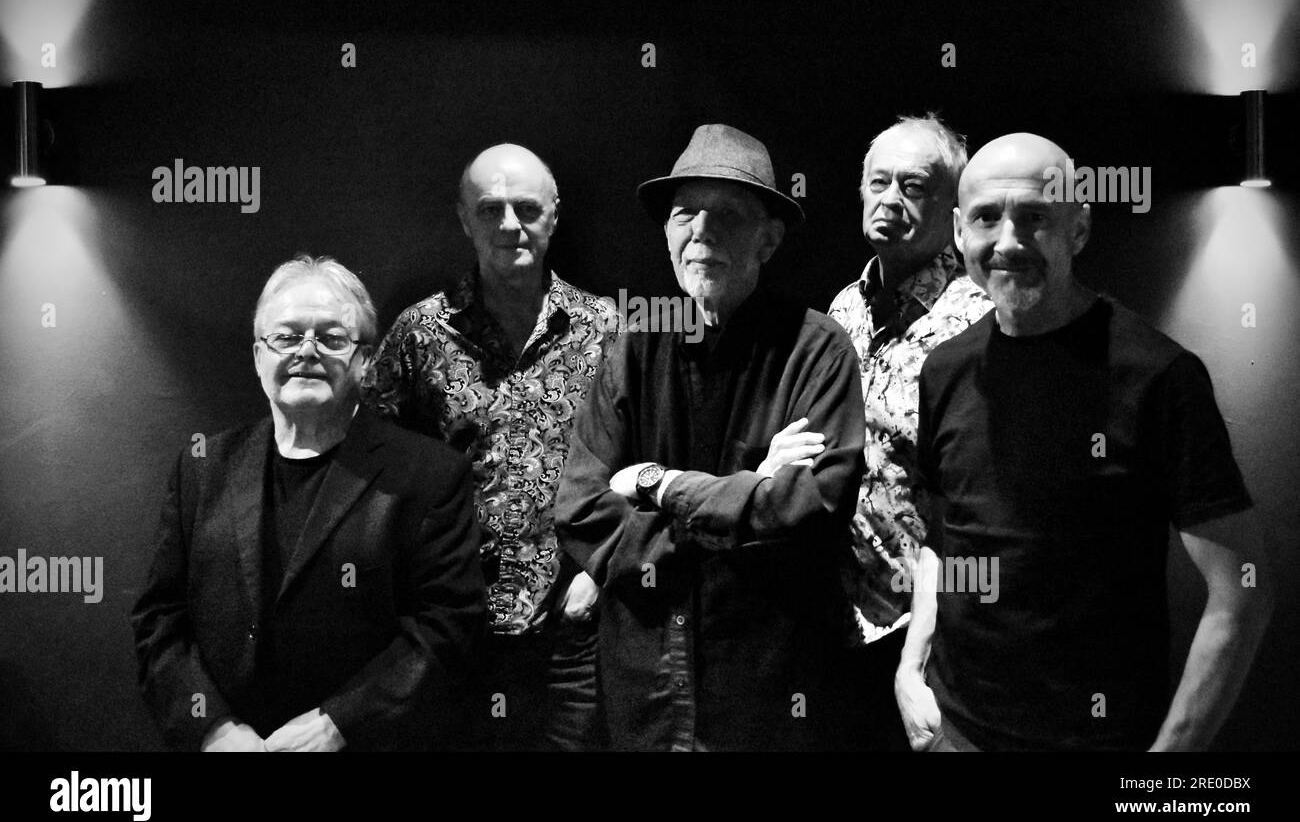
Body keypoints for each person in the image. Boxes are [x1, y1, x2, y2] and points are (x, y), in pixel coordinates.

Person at [895, 133, 1274, 751]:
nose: (1010, 241)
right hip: (956, 733)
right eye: (988, 218)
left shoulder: (1158, 376)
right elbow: (946, 538)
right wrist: (911, 668)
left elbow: (1244, 589)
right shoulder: (945, 369)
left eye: (1035, 217)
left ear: (1078, 228)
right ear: (960, 232)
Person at [556, 123, 865, 751]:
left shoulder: (816, 348)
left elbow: (810, 510)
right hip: (646, 686)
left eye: (726, 213)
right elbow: (583, 511)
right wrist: (747, 495)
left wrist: (656, 484)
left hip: (770, 687)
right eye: (684, 214)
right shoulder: (634, 343)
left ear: (770, 239)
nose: (701, 232)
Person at [132, 255, 486, 751]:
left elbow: (448, 627)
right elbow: (160, 621)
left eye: (332, 338)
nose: (307, 351)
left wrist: (339, 724)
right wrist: (212, 729)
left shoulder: (429, 475)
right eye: (286, 336)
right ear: (258, 356)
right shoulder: (203, 467)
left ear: (364, 359)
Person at [363, 144, 619, 750]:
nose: (510, 224)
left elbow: (647, 457)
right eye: (490, 208)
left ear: (554, 215)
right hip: (450, 634)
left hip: (571, 634)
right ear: (463, 218)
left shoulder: (606, 328)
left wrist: (601, 574)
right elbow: (368, 462)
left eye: (526, 207)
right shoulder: (421, 333)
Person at [827, 113, 991, 751]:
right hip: (842, 616)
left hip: (937, 628)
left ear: (952, 207)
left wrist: (922, 649)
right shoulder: (843, 308)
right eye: (878, 182)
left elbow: (976, 494)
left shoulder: (979, 319)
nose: (890, 200)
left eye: (915, 186)